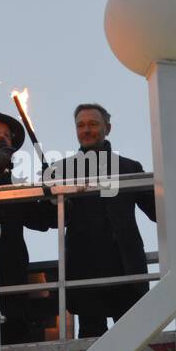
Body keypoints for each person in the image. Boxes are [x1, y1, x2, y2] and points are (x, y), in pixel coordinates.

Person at [59, 103, 156, 338]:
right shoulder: (61, 171)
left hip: (127, 271)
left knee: (134, 341)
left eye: (93, 124)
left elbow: (156, 212)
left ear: (107, 128)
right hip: (85, 273)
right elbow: (45, 220)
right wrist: (53, 197)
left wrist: (174, 180)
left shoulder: (129, 167)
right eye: (81, 125)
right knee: (91, 343)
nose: (86, 130)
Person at [0, 111, 56, 344]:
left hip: (12, 276)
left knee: (13, 332)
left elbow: (41, 220)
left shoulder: (12, 184)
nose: (2, 138)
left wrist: (52, 193)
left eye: (7, 136)